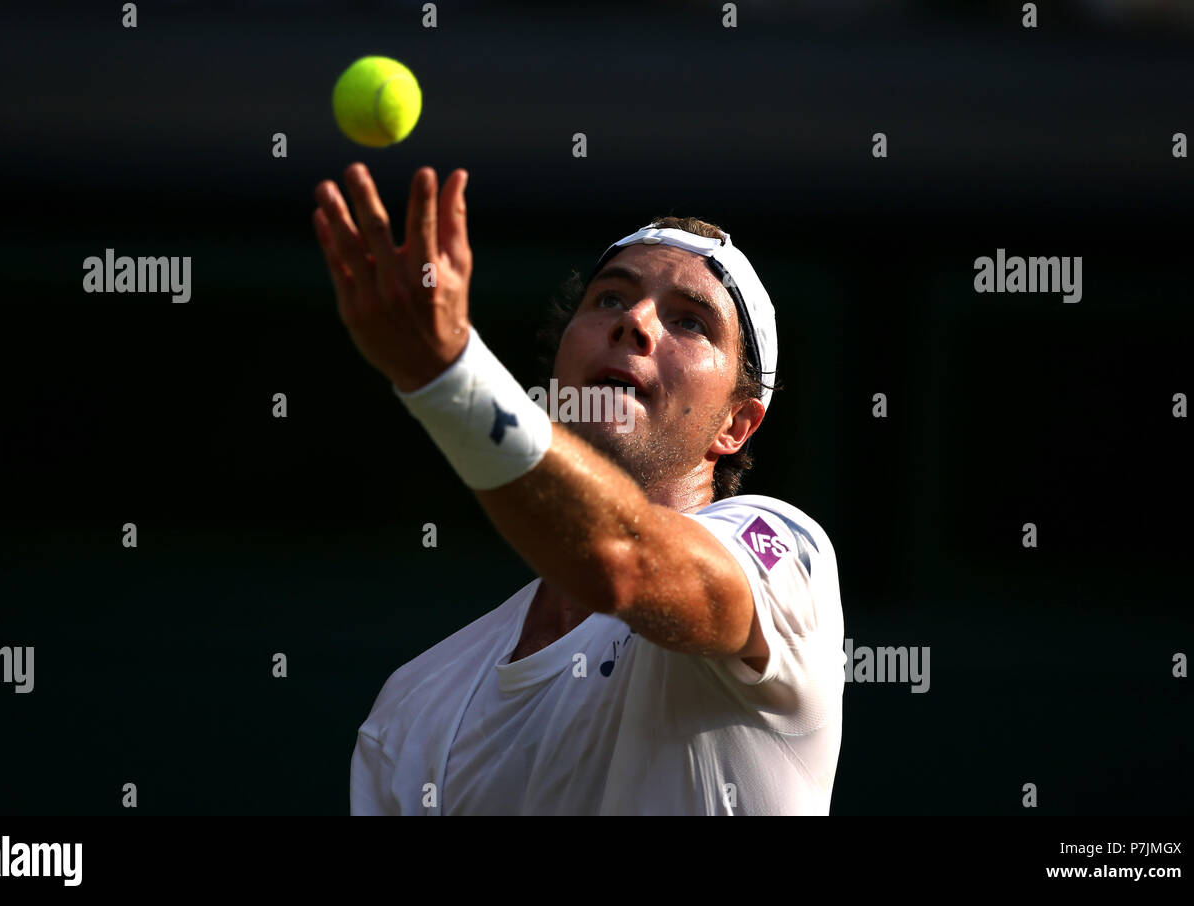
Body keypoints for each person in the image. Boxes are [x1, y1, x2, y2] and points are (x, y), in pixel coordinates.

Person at [312, 164, 845, 815]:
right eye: (611, 299)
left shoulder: (785, 556)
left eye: (691, 321)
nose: (637, 322)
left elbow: (622, 562)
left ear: (735, 426)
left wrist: (448, 375)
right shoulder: (414, 706)